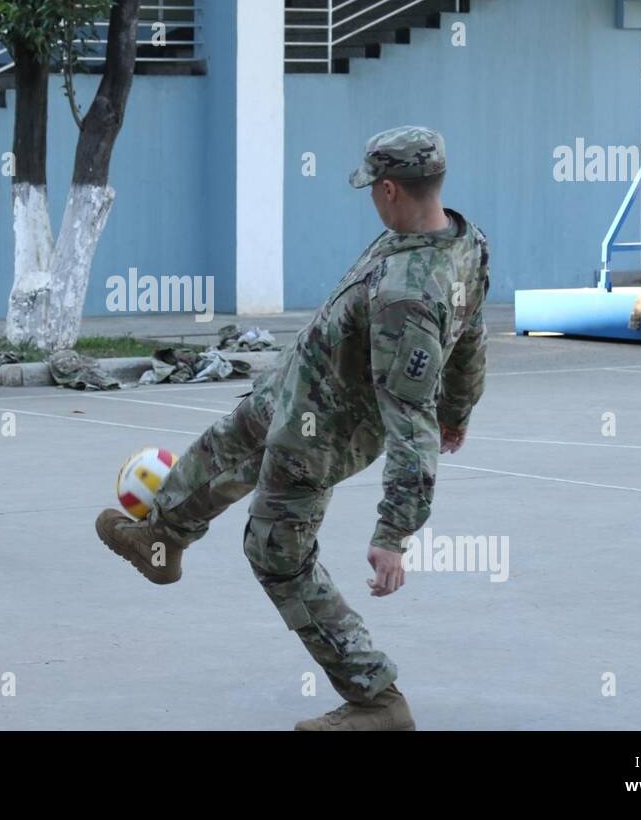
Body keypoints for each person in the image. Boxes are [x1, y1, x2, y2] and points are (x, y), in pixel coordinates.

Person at [94, 126, 490, 731]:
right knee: (221, 449)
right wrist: (458, 408)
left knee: (278, 554)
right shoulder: (461, 239)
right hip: (292, 391)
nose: (370, 197)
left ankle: (375, 699)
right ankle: (162, 541)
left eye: (371, 188)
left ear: (390, 189)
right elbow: (472, 335)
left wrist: (394, 531)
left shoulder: (407, 296)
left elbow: (410, 423)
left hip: (320, 435)